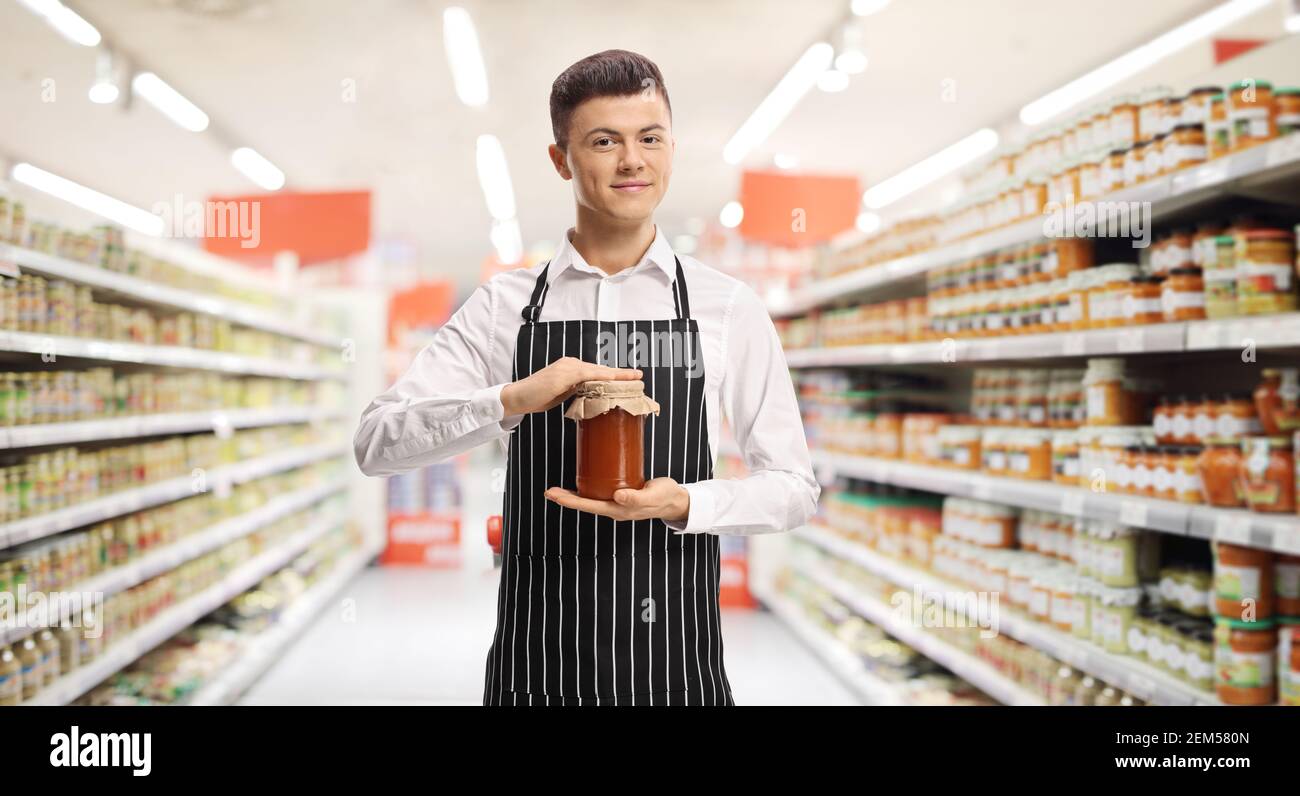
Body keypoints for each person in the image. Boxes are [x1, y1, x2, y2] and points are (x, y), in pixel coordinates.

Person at [354, 49, 819, 706]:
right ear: (561, 159)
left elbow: (795, 489)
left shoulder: (728, 308)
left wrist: (688, 504)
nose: (632, 160)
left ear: (670, 149)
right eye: (605, 141)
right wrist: (512, 399)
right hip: (539, 661)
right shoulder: (504, 307)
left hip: (674, 663)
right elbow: (376, 443)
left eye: (649, 138)